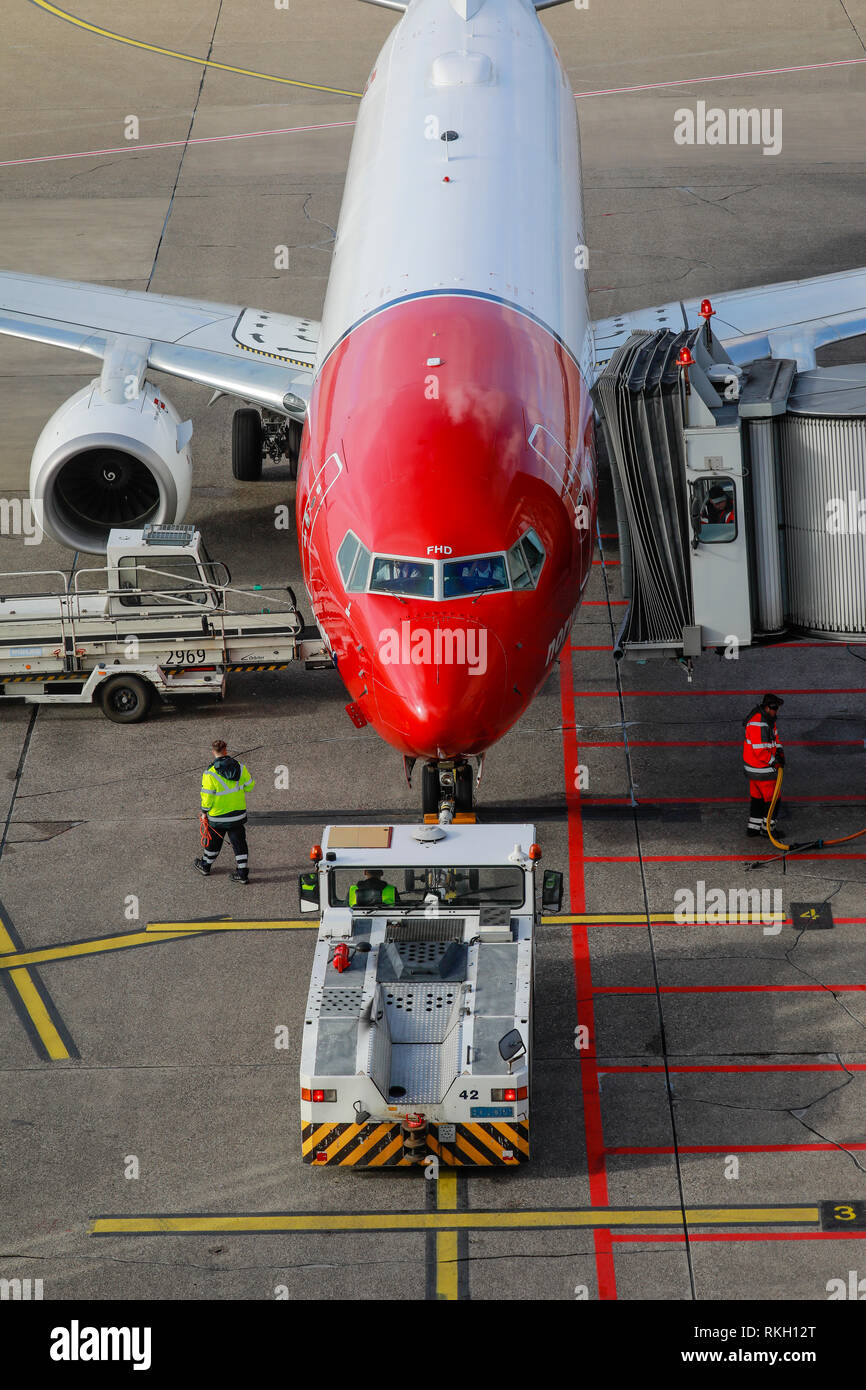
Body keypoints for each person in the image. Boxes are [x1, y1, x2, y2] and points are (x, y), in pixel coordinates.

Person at [194, 739, 256, 883]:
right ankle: (242, 873)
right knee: (239, 843)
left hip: (218, 817)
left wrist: (204, 812)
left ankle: (205, 865)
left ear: (213, 752)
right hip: (237, 815)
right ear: (226, 750)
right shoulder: (240, 767)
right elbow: (250, 786)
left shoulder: (209, 774)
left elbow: (207, 797)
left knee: (214, 842)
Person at [742, 694, 785, 837]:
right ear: (766, 707)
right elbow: (760, 750)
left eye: (777, 708)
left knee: (757, 799)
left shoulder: (768, 719)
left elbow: (775, 738)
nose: (776, 711)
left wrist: (779, 750)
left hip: (753, 769)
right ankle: (768, 830)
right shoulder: (759, 723)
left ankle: (753, 828)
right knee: (773, 799)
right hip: (762, 769)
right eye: (774, 708)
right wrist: (774, 761)